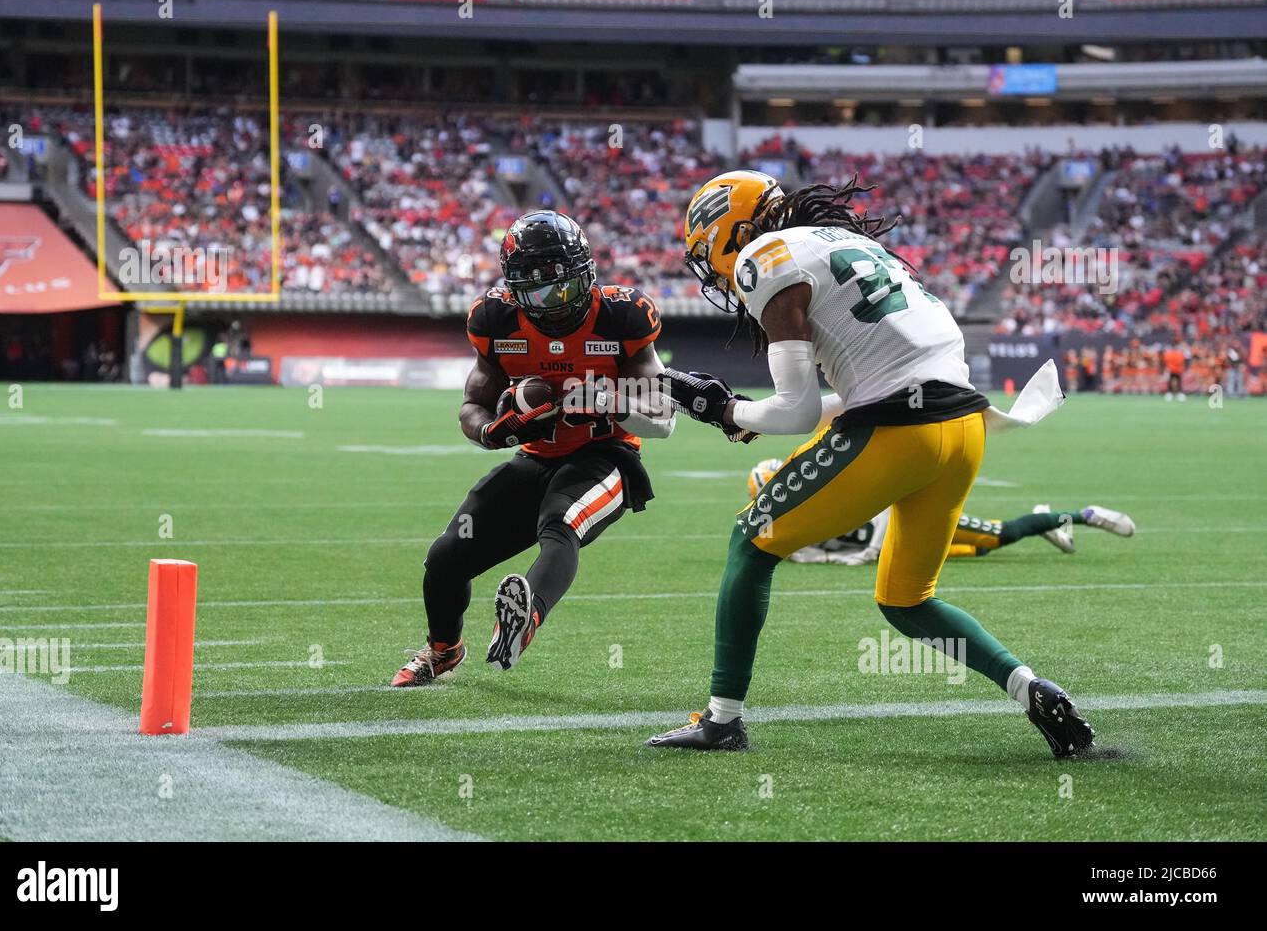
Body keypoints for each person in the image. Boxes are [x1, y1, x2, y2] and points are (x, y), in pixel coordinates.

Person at [649, 170, 1095, 757]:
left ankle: (722, 720)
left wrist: (731, 410)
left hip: (898, 434)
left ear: (735, 230)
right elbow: (865, 387)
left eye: (711, 254)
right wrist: (742, 412)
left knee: (751, 542)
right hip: (963, 430)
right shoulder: (857, 246)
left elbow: (797, 413)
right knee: (907, 600)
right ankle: (1031, 687)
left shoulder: (766, 255)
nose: (717, 272)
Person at [392, 211, 674, 686]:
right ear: (514, 289)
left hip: (607, 457)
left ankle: (524, 620)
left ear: (585, 274)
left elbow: (663, 417)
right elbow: (472, 405)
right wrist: (493, 432)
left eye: (561, 286)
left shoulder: (622, 316)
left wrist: (607, 405)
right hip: (536, 457)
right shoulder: (495, 320)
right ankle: (442, 650)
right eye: (537, 290)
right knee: (446, 558)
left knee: (560, 522)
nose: (553, 301)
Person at [747, 455, 1136, 563]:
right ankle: (1045, 524)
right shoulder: (788, 525)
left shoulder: (831, 489)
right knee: (978, 550)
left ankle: (1083, 515)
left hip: (907, 522)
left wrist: (868, 551)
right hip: (900, 548)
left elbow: (886, 506)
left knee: (995, 535)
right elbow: (805, 555)